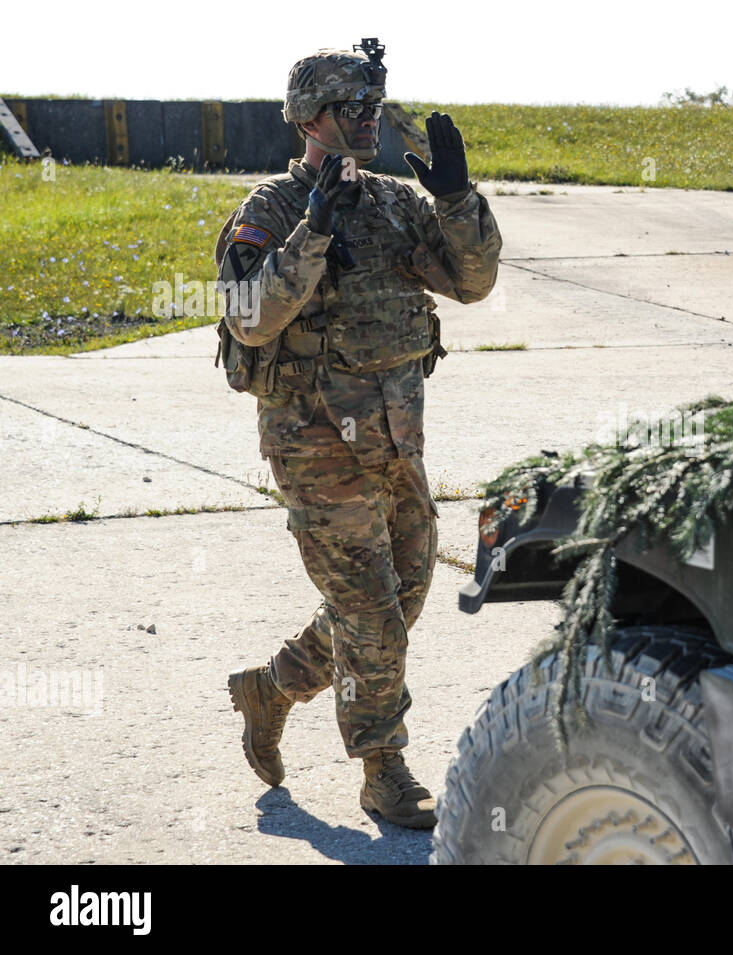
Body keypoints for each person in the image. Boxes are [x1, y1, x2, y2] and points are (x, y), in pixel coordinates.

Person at [218, 39, 501, 829]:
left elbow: (473, 281)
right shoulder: (268, 210)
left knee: (399, 597)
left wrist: (455, 199)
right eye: (353, 108)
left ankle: (271, 686)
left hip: (392, 443)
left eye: (375, 107)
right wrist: (311, 235)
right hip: (314, 447)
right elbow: (249, 317)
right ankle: (383, 769)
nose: (370, 120)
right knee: (372, 612)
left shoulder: (388, 202)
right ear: (310, 117)